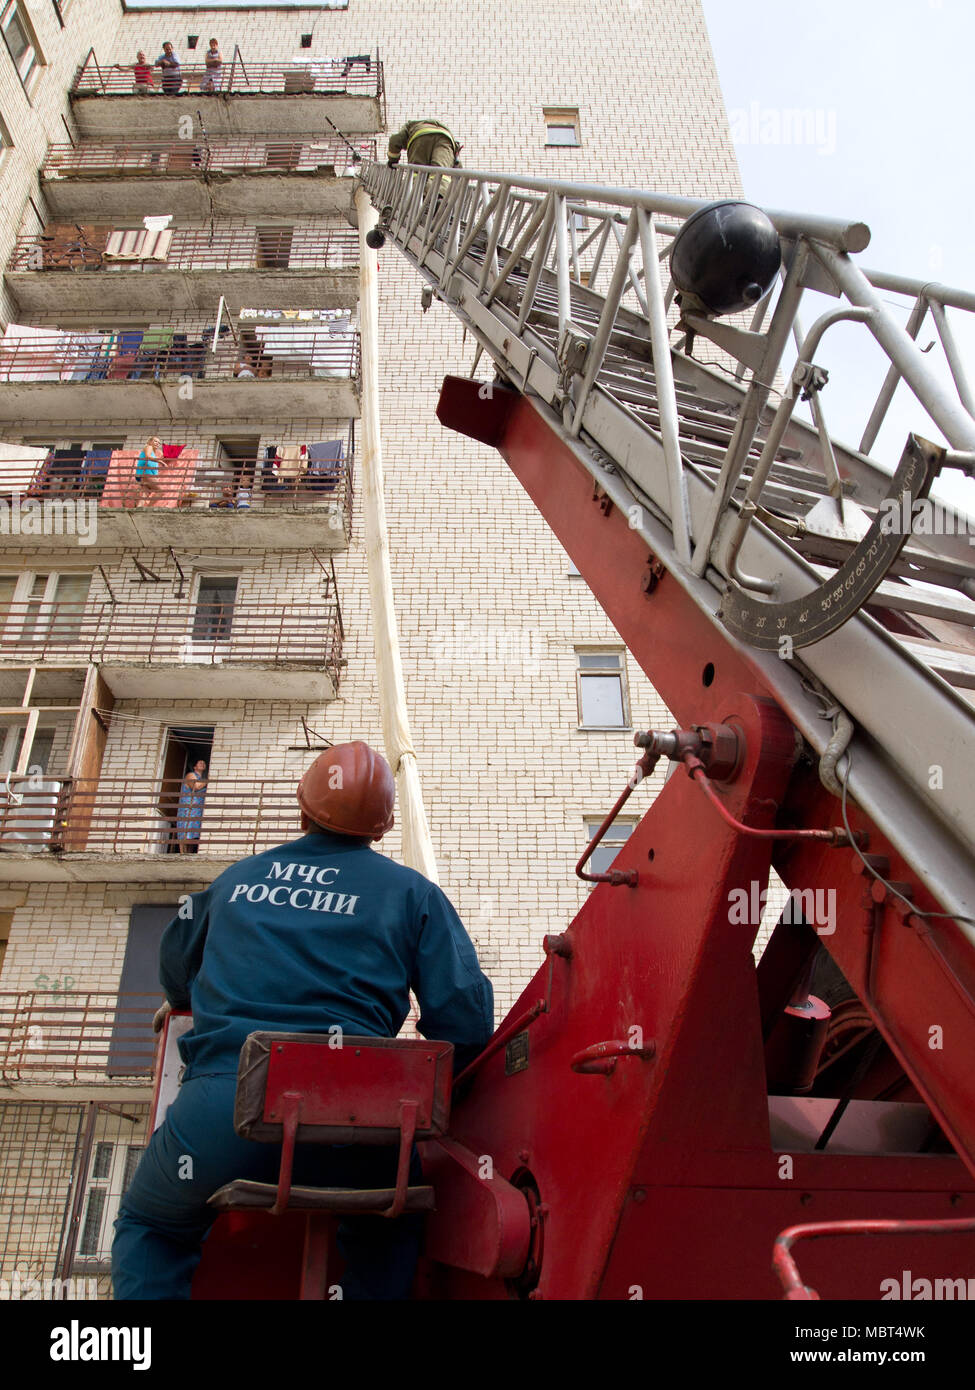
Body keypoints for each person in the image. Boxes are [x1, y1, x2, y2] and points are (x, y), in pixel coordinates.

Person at [111, 742, 494, 1300]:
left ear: (302, 805)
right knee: (390, 1223)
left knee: (152, 1224)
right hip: (365, 1122)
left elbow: (175, 965)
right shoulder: (414, 894)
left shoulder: (235, 880)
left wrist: (188, 993)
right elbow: (464, 1021)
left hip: (226, 1114)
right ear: (382, 827)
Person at [387, 118, 461, 196]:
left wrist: (392, 160)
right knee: (441, 174)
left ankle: (418, 198)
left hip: (420, 138)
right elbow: (455, 162)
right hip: (445, 140)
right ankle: (438, 197)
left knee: (417, 172)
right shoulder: (444, 130)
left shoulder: (410, 126)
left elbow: (394, 140)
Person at [175, 760, 208, 853]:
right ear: (194, 767)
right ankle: (182, 852)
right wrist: (208, 780)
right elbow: (196, 787)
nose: (202, 764)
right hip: (188, 807)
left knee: (194, 833)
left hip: (197, 809)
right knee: (186, 830)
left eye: (204, 763)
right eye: (199, 763)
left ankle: (188, 853)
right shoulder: (191, 775)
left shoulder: (202, 779)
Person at [134, 436, 165, 507]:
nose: (157, 444)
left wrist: (160, 461)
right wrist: (160, 461)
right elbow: (147, 456)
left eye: (159, 443)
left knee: (145, 493)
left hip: (144, 475)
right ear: (150, 441)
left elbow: (151, 460)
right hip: (145, 474)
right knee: (161, 491)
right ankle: (148, 508)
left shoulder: (153, 454)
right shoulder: (149, 447)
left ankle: (139, 508)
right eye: (155, 441)